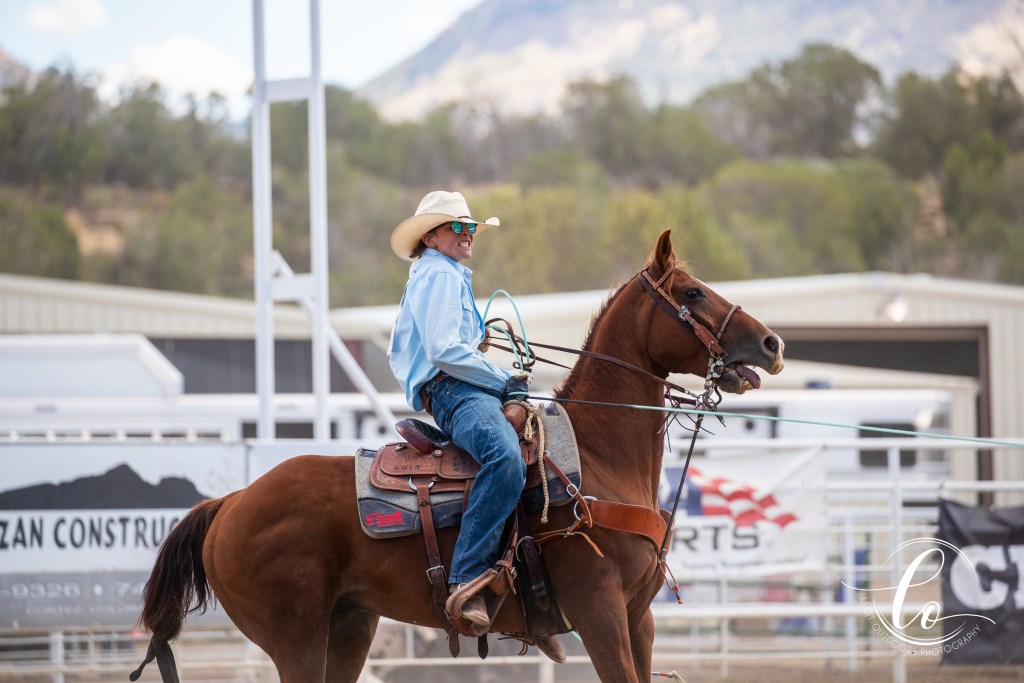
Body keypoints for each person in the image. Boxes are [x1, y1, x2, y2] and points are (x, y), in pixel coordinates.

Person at [388, 191, 564, 662]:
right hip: (455, 393)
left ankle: (530, 594)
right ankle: (466, 578)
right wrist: (507, 381)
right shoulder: (439, 275)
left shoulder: (441, 273)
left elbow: (446, 345)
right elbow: (444, 351)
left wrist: (478, 347)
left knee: (538, 457)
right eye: (458, 228)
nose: (468, 235)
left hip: (464, 389)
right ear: (431, 237)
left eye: (470, 228)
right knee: (505, 459)